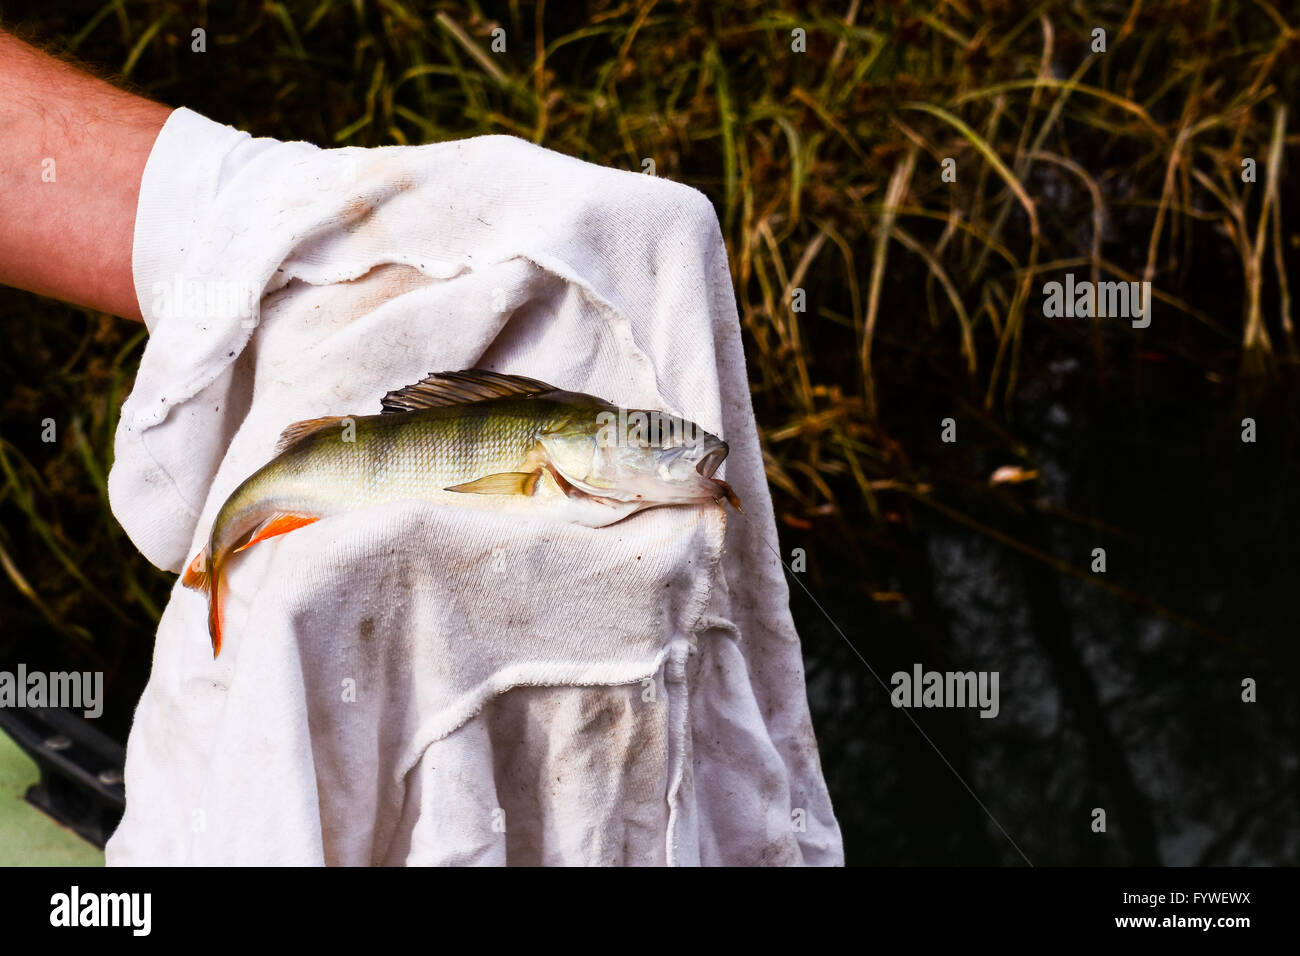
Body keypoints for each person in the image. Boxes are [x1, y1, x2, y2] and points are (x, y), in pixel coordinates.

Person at [0, 28, 843, 865]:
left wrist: (224, 202)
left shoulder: (582, 443)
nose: (678, 457)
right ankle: (224, 548)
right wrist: (230, 208)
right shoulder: (536, 450)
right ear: (577, 440)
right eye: (653, 440)